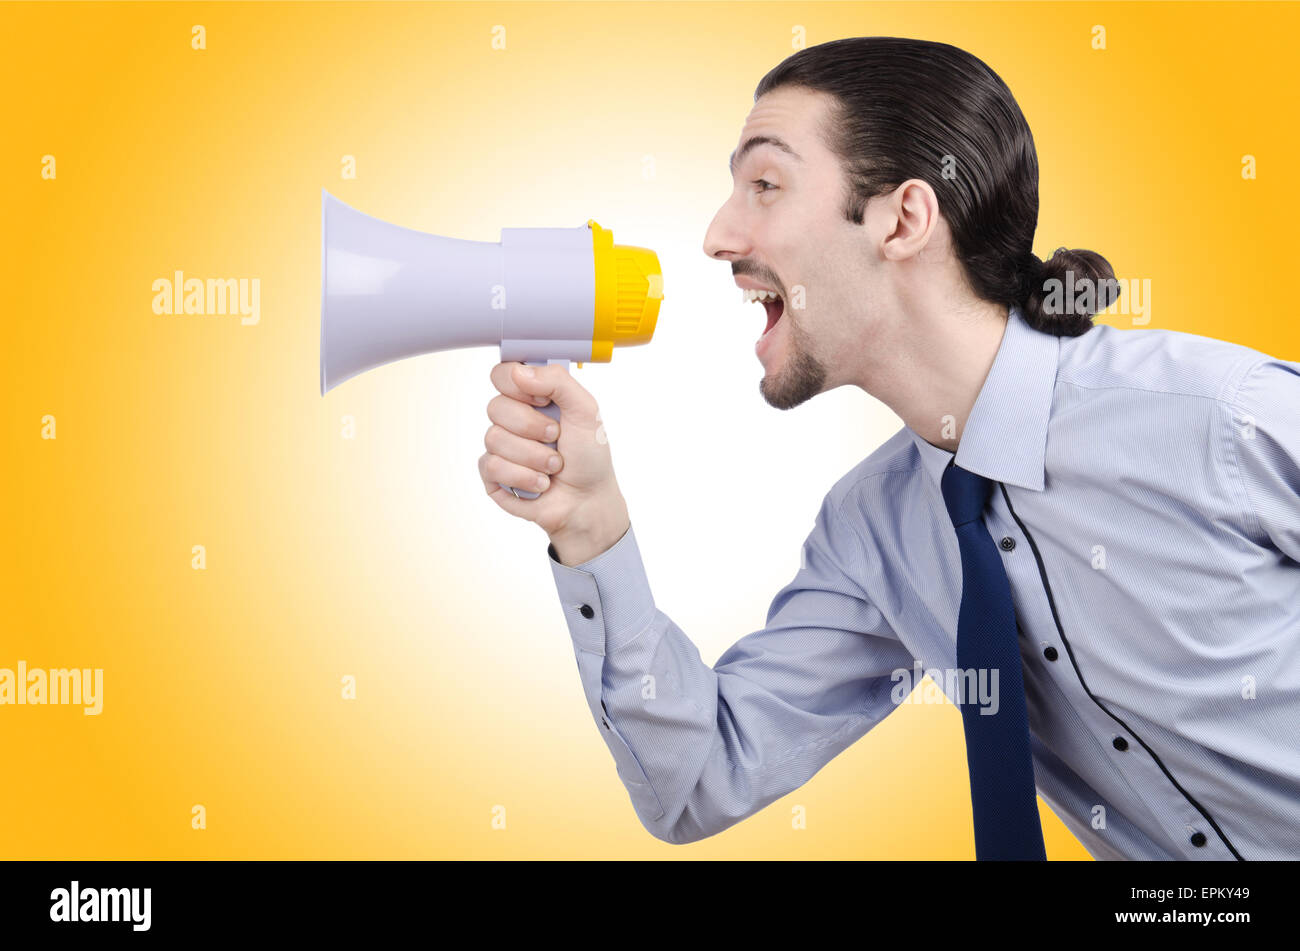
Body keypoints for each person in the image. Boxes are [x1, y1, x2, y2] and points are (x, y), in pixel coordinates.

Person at [477, 37, 1300, 859]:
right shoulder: (876, 533)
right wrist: (592, 527)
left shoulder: (1222, 417)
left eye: (765, 184)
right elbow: (701, 778)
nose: (718, 236)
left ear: (903, 218)